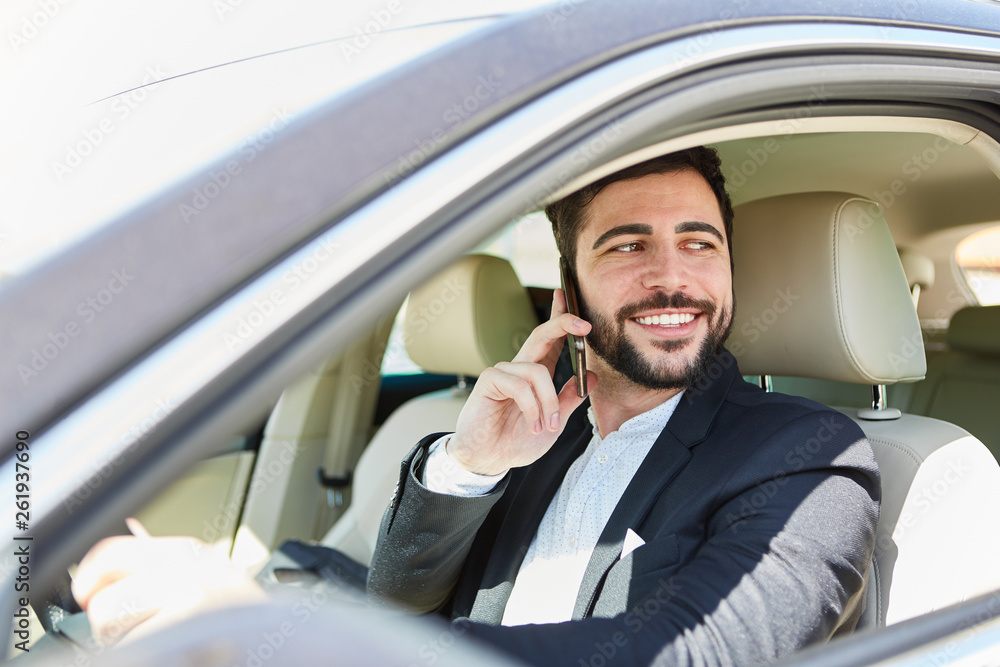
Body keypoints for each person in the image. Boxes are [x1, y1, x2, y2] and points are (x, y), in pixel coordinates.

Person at [366, 147, 880, 666]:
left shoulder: (811, 455)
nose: (671, 278)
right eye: (629, 246)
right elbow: (396, 603)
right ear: (570, 288)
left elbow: (707, 652)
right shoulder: (531, 429)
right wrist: (471, 465)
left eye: (699, 244)